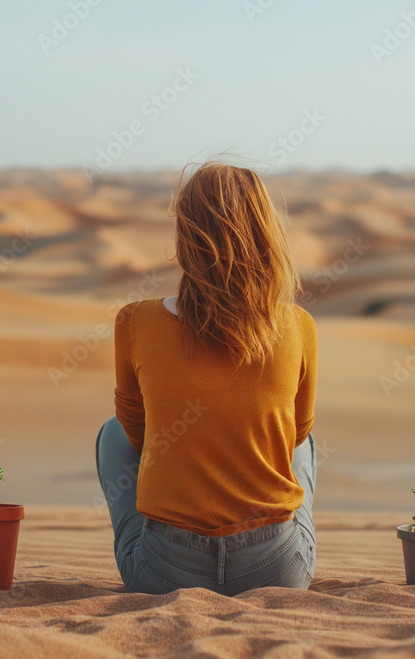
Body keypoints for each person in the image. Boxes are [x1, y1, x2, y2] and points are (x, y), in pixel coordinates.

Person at [95, 162, 318, 596]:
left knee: (113, 433)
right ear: (266, 232)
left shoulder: (135, 322)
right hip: (278, 572)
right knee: (305, 442)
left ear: (185, 235)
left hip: (164, 574)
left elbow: (138, 438)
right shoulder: (299, 325)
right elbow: (298, 434)